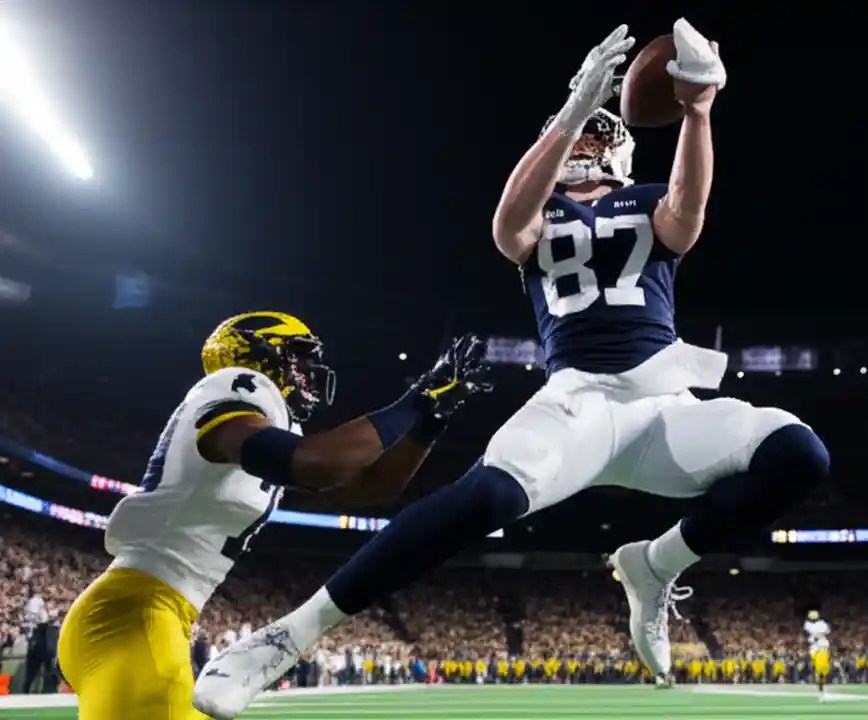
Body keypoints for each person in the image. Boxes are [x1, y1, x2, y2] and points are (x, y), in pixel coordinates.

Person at [193, 19, 827, 718]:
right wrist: (571, 111)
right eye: (578, 136)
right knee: (485, 499)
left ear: (619, 154)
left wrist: (700, 110)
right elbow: (507, 231)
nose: (584, 145)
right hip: (577, 400)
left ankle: (657, 564)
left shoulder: (647, 202)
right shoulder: (542, 209)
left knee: (799, 454)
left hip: (664, 401)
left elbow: (688, 210)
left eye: (595, 135)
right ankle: (281, 641)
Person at [57, 311, 490, 720]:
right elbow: (321, 463)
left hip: (150, 614)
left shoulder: (275, 428)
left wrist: (432, 417)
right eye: (299, 357)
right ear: (255, 353)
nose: (310, 372)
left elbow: (371, 487)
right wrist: (415, 399)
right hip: (132, 612)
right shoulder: (233, 385)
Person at [804, 610, 832, 693]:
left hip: (821, 645)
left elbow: (827, 631)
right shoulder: (807, 624)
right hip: (814, 647)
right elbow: (807, 635)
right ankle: (816, 677)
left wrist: (817, 635)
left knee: (823, 667)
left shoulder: (822, 624)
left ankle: (820, 679)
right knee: (816, 664)